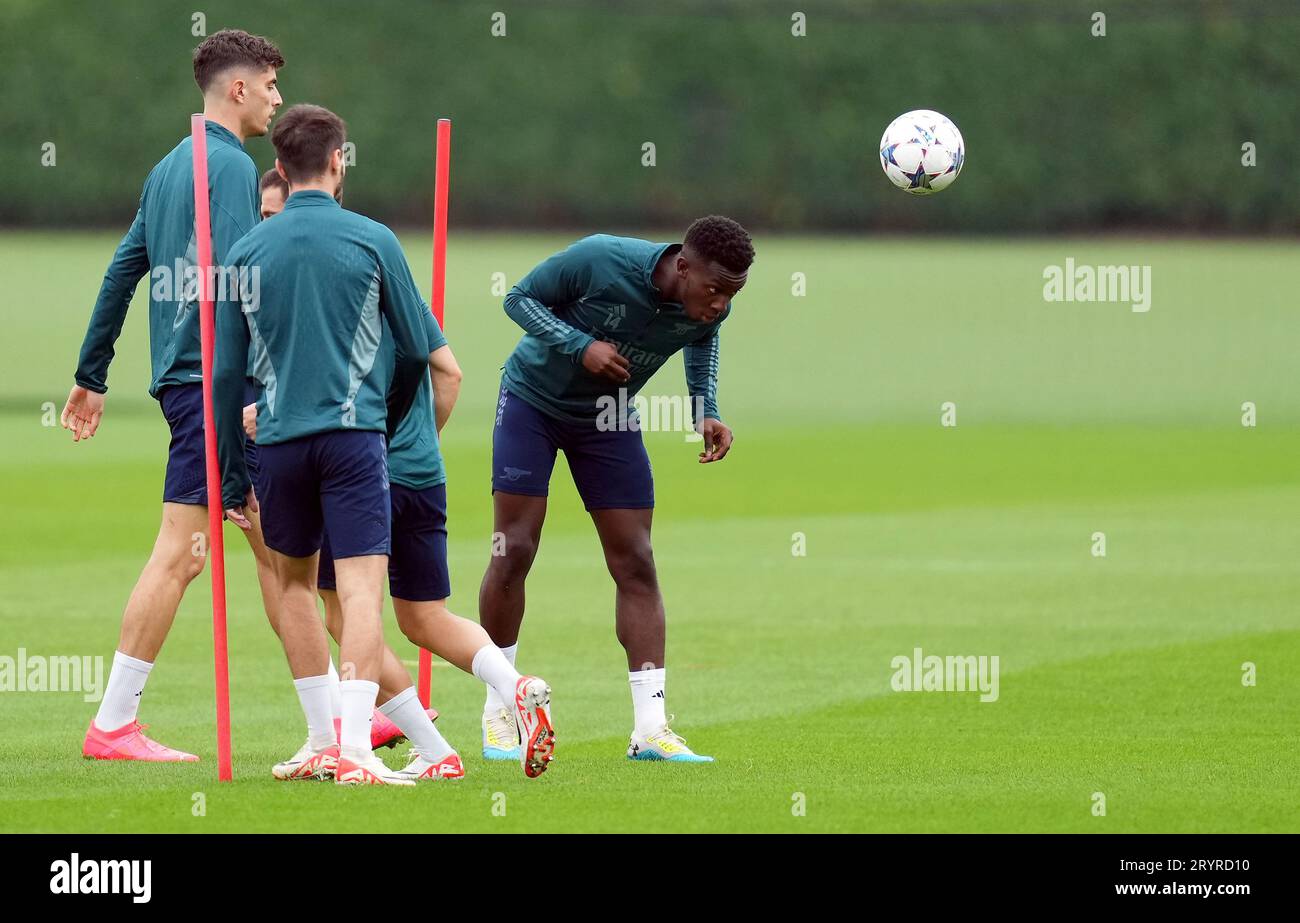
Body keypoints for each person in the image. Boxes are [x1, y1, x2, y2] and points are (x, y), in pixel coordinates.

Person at [214, 104, 553, 785]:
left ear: (279, 168)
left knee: (296, 588)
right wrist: (384, 420)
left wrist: (229, 471)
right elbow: (417, 353)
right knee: (365, 593)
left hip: (276, 444)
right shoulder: (374, 241)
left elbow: (225, 372)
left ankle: (326, 740)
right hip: (352, 440)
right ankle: (355, 751)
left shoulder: (246, 251)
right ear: (340, 161)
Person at [64, 29, 284, 763]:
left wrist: (90, 375)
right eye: (272, 84)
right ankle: (114, 724)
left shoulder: (168, 168)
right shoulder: (228, 167)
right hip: (218, 383)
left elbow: (123, 268)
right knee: (187, 552)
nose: (279, 99)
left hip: (189, 381)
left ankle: (359, 711)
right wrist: (253, 385)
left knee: (278, 547)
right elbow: (235, 281)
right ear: (239, 89)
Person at [477, 218, 754, 763]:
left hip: (608, 415)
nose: (720, 303)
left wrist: (705, 409)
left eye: (732, 294)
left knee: (637, 559)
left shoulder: (708, 305)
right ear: (682, 267)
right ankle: (501, 709)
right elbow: (518, 300)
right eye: (714, 289)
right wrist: (580, 346)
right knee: (515, 547)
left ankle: (650, 730)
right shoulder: (601, 259)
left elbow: (703, 340)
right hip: (532, 403)